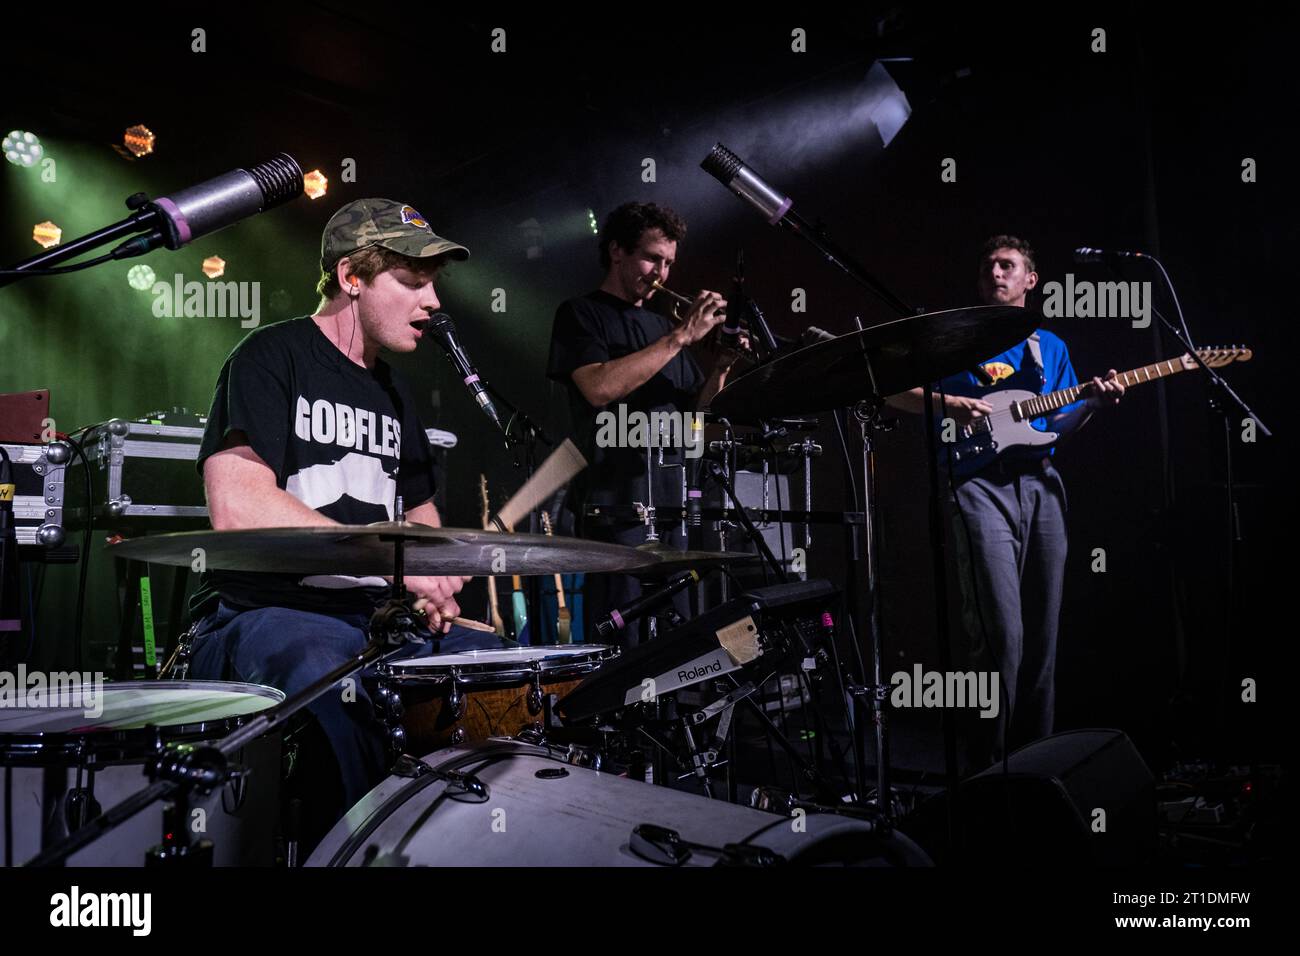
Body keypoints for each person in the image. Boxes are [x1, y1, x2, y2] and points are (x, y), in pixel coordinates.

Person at [188, 198, 499, 836]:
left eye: (433, 284)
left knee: (503, 673)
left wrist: (435, 577)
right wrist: (393, 559)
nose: (434, 301)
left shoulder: (393, 390)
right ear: (352, 277)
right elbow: (238, 505)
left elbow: (419, 516)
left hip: (375, 622)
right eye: (414, 282)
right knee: (337, 684)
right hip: (270, 614)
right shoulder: (271, 356)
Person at [888, 235, 1125, 768]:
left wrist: (1093, 404)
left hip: (1042, 486)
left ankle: (1035, 770)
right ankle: (987, 776)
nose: (995, 272)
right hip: (977, 486)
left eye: (1008, 265)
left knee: (1042, 639)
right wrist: (948, 404)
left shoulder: (1050, 346)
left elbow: (1058, 424)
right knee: (1001, 637)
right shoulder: (953, 339)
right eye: (988, 264)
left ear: (1029, 280)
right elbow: (889, 390)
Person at [546, 201, 744, 645]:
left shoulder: (662, 326)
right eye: (653, 258)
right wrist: (680, 338)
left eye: (670, 263)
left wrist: (721, 367)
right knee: (624, 652)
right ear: (617, 251)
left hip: (676, 513)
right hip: (618, 513)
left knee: (677, 654)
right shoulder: (580, 313)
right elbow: (598, 388)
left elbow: (698, 420)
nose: (662, 274)